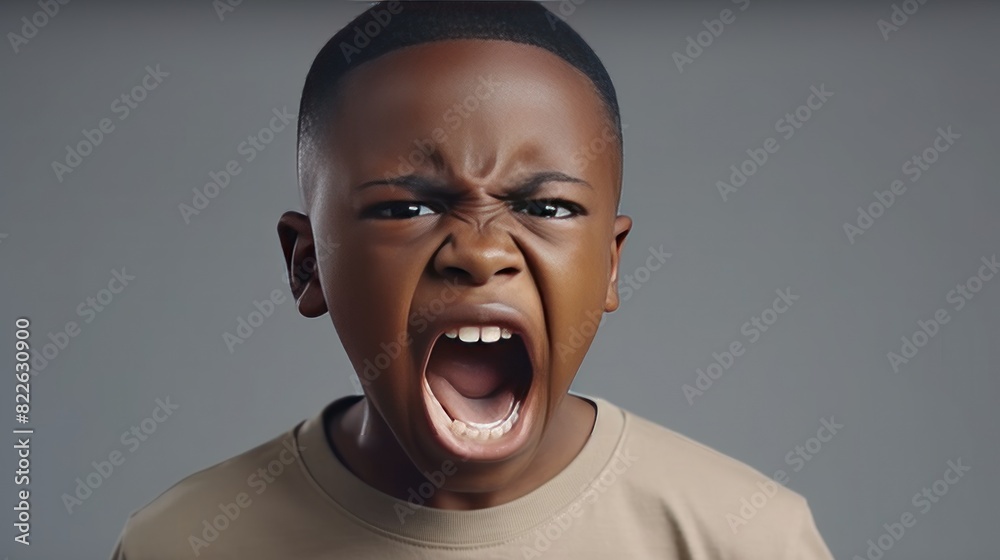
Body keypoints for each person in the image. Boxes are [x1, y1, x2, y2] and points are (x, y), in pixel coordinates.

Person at [112, 2, 834, 558]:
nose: (480, 252)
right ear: (308, 264)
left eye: (545, 206)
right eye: (407, 206)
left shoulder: (745, 538)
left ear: (610, 264)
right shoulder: (182, 543)